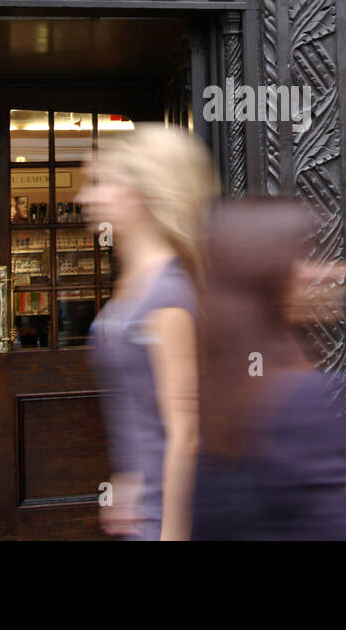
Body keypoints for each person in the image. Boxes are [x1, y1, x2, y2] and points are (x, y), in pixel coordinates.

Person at [191, 198, 346, 540]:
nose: (343, 271)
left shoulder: (217, 387)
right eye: (308, 258)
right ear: (269, 277)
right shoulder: (298, 400)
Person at [79, 125, 218, 540]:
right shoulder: (135, 283)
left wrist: (171, 535)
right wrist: (127, 478)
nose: (85, 197)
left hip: (163, 521)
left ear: (141, 192)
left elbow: (185, 434)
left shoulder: (167, 294)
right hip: (144, 507)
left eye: (101, 182)